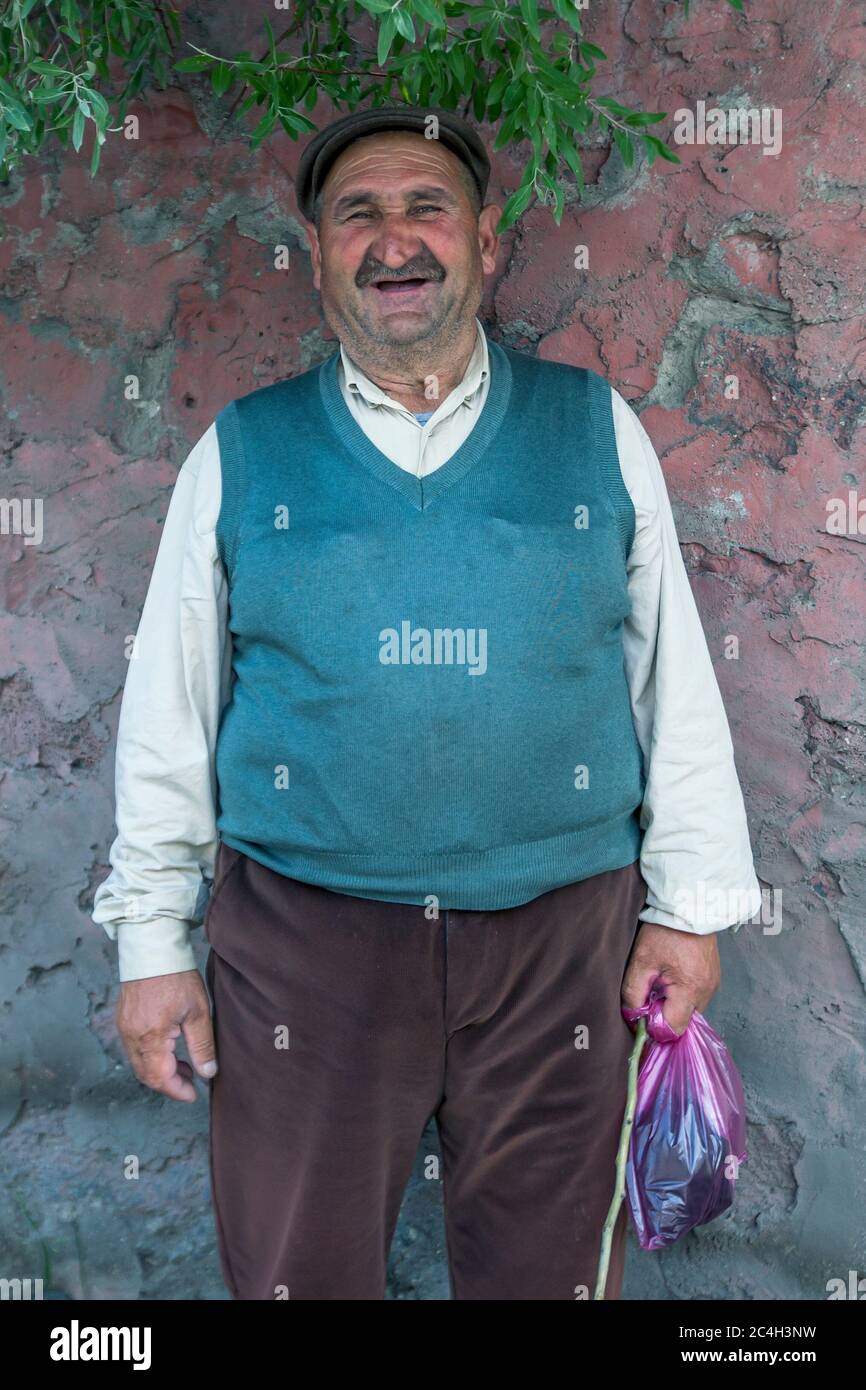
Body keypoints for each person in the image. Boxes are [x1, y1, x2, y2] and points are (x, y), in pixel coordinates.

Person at [92, 105, 762, 1300]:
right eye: (358, 213)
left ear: (486, 242)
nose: (393, 239)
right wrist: (151, 944)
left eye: (425, 208)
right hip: (307, 950)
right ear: (315, 252)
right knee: (297, 1269)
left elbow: (671, 683)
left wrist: (689, 908)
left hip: (563, 946)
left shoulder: (588, 431)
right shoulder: (245, 454)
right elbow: (170, 717)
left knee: (548, 1276)